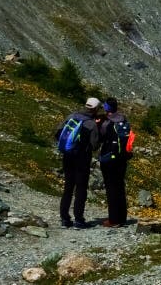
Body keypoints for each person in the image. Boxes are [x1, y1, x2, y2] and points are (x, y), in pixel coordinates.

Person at [56, 97, 101, 229]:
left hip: (67, 156)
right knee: (81, 188)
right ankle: (79, 220)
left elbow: (58, 133)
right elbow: (95, 145)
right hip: (82, 159)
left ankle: (64, 218)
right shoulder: (91, 124)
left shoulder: (72, 116)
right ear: (96, 109)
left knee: (68, 187)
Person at [99, 97, 130, 227]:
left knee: (111, 188)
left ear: (107, 108)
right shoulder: (124, 120)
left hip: (109, 158)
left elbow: (101, 137)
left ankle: (113, 219)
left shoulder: (107, 122)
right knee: (120, 186)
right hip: (122, 159)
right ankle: (122, 217)